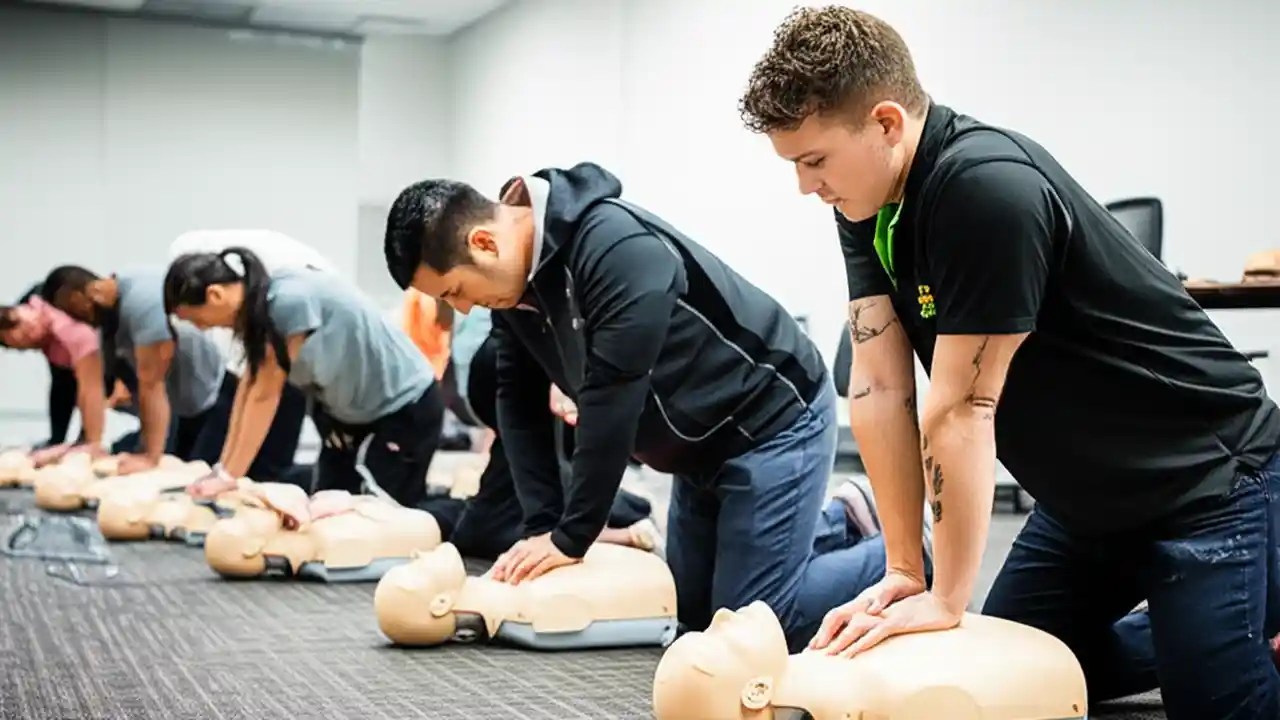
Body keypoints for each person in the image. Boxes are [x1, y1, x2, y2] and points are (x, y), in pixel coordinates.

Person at [739, 6, 1280, 718]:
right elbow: (878, 384)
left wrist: (944, 598)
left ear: (887, 124)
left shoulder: (984, 187)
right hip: (1086, 502)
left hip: (1208, 483)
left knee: (1216, 703)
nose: (807, 187)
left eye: (814, 161)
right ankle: (1221, 624)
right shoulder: (864, 207)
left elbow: (962, 407)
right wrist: (906, 568)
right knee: (1014, 672)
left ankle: (1231, 621)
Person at [383, 162, 903, 650]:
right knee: (693, 618)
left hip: (770, 423)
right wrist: (543, 524)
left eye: (455, 290)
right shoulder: (520, 287)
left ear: (484, 242)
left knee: (757, 627)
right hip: (694, 449)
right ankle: (842, 521)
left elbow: (613, 398)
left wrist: (572, 536)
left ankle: (903, 556)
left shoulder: (614, 247)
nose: (463, 307)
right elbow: (515, 401)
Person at [162, 248, 445, 509]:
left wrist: (229, 477)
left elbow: (265, 392)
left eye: (197, 320)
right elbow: (248, 388)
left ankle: (463, 520)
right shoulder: (260, 313)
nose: (201, 328)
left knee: (381, 518)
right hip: (347, 419)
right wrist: (222, 469)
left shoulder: (286, 299)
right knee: (324, 511)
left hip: (404, 407)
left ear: (215, 296)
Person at [40, 264, 297, 481]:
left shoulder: (141, 300)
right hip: (185, 405)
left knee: (211, 480)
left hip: (216, 392)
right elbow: (98, 385)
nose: (79, 323)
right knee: (189, 478)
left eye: (74, 313)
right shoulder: (110, 318)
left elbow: (151, 383)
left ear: (85, 296)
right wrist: (89, 443)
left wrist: (150, 457)